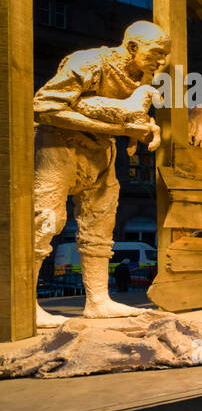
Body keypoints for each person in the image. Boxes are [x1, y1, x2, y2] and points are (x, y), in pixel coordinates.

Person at [32, 21, 167, 326]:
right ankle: (26, 303)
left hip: (101, 151)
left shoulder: (142, 77)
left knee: (101, 223)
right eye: (156, 53)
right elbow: (44, 108)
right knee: (46, 220)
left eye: (164, 55)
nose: (161, 61)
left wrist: (137, 133)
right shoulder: (88, 62)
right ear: (132, 47)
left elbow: (131, 118)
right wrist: (117, 128)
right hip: (56, 143)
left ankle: (98, 301)